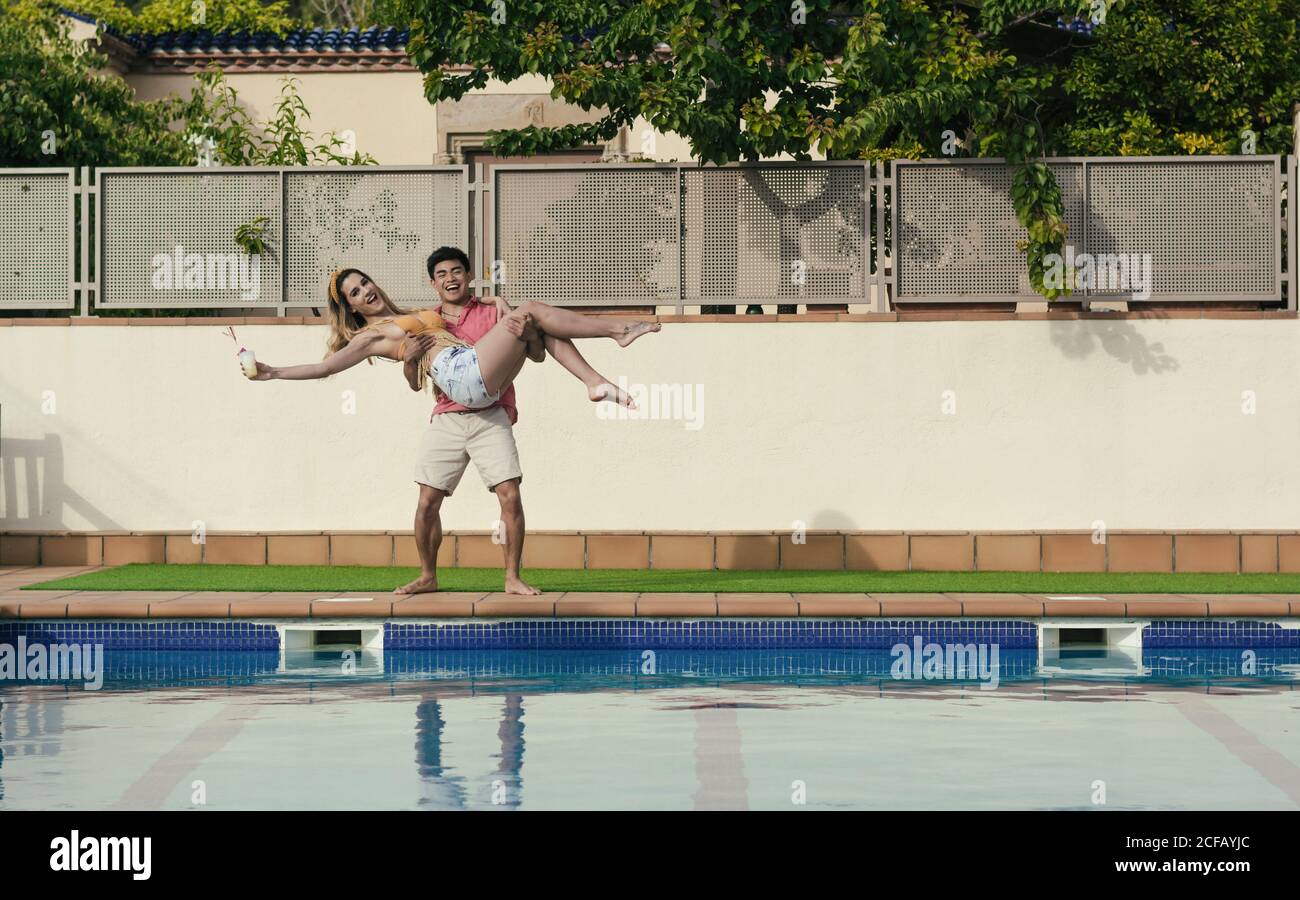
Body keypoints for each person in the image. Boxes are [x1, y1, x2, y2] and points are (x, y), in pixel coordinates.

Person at [243, 247, 660, 595]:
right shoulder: (370, 336)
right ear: (350, 306)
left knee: (530, 318)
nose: (365, 291)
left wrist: (499, 306)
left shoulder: (417, 313)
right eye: (355, 292)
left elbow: (524, 345)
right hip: (460, 383)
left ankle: (595, 381)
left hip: (482, 390)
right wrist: (272, 372)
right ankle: (615, 333)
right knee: (427, 501)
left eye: (365, 282)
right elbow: (326, 368)